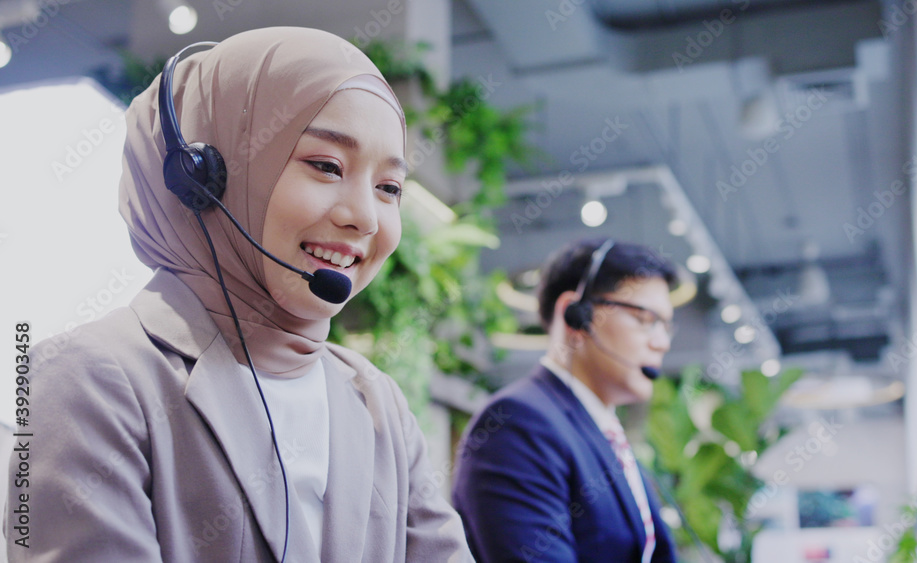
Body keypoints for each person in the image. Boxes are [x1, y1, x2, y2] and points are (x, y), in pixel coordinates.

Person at [7, 27, 472, 562]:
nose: (365, 217)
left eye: (388, 188)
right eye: (327, 167)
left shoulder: (376, 402)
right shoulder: (84, 378)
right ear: (202, 180)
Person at [452, 238, 679, 562]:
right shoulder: (516, 425)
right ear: (576, 315)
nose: (662, 342)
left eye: (666, 326)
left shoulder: (604, 431)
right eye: (645, 319)